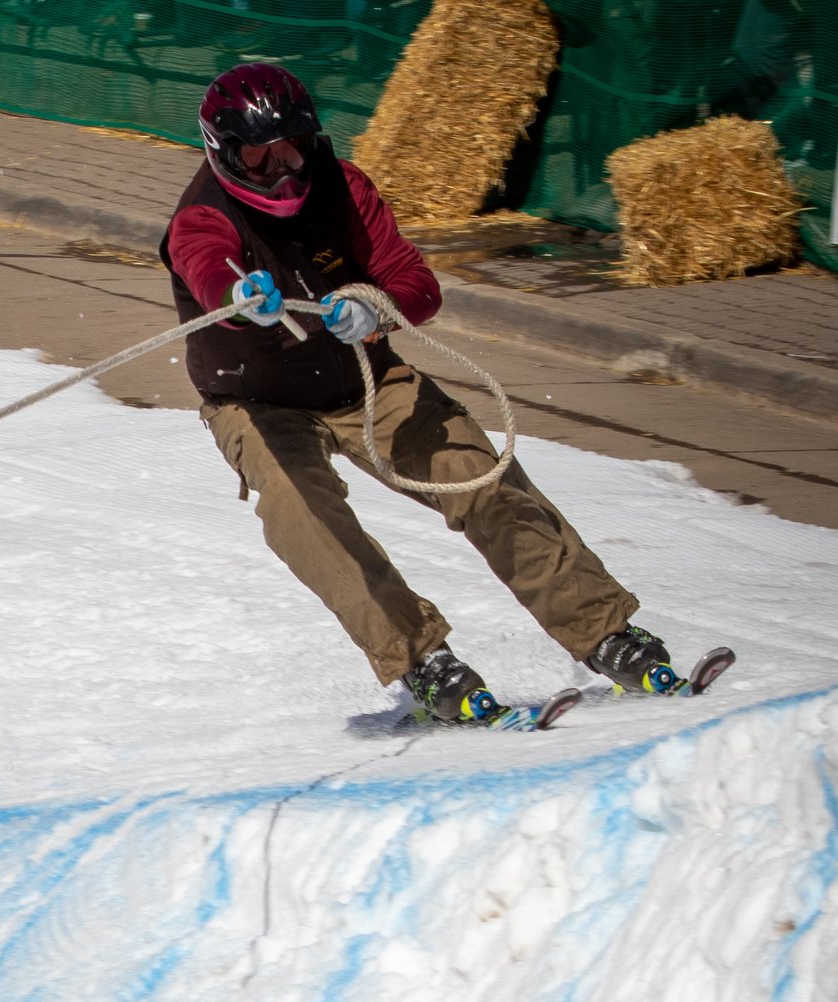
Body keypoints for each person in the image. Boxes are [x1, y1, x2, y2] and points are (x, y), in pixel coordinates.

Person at [162, 63, 687, 722]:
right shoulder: (202, 216)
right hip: (256, 403)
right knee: (303, 517)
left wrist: (376, 303)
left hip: (364, 379)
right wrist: (238, 300)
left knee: (481, 477)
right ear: (222, 152)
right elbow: (208, 269)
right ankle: (422, 662)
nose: (282, 169)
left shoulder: (343, 187)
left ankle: (604, 633)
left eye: (292, 148)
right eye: (259, 156)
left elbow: (415, 280)